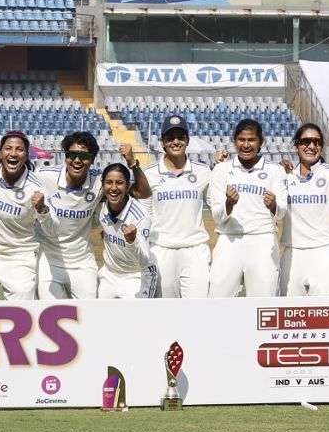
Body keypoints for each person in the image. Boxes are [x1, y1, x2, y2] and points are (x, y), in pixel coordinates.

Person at [35, 134, 146, 299]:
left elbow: (143, 192)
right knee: (51, 312)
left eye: (84, 156)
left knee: (88, 315)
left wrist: (132, 163)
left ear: (93, 159)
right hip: (49, 260)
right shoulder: (44, 175)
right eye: (72, 155)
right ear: (65, 157)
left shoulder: (98, 182)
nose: (77, 160)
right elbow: (17, 177)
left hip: (82, 262)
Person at [207, 118, 288, 298]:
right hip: (229, 240)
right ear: (234, 141)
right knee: (218, 300)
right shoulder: (221, 170)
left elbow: (281, 212)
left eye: (251, 140)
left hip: (263, 240)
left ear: (261, 142)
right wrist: (229, 203)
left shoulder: (275, 171)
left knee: (263, 303)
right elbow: (217, 217)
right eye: (241, 140)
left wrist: (273, 205)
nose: (246, 144)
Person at [279, 124, 329, 296]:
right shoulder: (284, 175)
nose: (312, 146)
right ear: (296, 145)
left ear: (322, 147)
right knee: (291, 317)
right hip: (293, 253)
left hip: (324, 252)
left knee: (324, 314)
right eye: (306, 141)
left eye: (317, 142)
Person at [0, 130, 54, 300]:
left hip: (20, 260)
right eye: (8, 149)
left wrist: (42, 209)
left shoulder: (37, 187)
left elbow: (52, 229)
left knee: (20, 317)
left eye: (19, 149)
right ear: (0, 153)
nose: (13, 153)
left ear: (26, 155)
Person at [146, 115, 212, 299]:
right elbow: (145, 215)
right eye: (170, 137)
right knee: (166, 313)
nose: (176, 142)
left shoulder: (203, 172)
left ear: (187, 141)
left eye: (180, 137)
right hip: (162, 249)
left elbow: (218, 208)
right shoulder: (149, 174)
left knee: (197, 310)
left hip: (195, 249)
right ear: (162, 142)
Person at [96, 163, 157, 299]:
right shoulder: (100, 206)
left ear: (127, 186)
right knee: (101, 317)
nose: (113, 188)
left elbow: (143, 262)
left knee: (137, 319)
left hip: (137, 275)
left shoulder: (140, 217)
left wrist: (132, 241)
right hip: (110, 274)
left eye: (119, 183)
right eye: (109, 182)